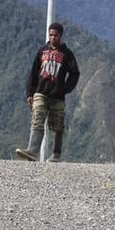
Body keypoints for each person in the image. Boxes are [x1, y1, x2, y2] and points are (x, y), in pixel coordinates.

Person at [16, 22, 80, 162]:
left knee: (58, 126)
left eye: (55, 35)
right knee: (37, 119)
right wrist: (30, 93)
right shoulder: (42, 51)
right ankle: (32, 151)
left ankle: (56, 154)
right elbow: (33, 73)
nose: (52, 38)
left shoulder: (67, 54)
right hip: (41, 92)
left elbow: (75, 73)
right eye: (50, 35)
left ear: (61, 36)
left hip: (57, 96)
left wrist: (65, 88)